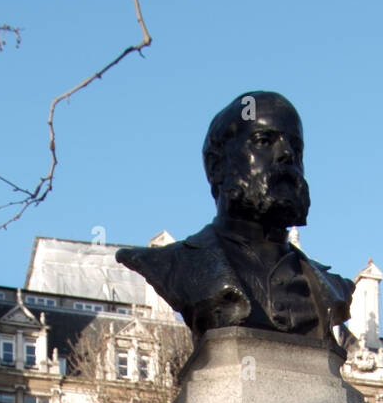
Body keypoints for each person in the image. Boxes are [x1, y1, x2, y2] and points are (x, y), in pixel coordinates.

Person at [116, 91, 354, 344]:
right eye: (264, 140)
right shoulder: (175, 265)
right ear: (216, 164)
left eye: (295, 146)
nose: (286, 154)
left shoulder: (331, 289)